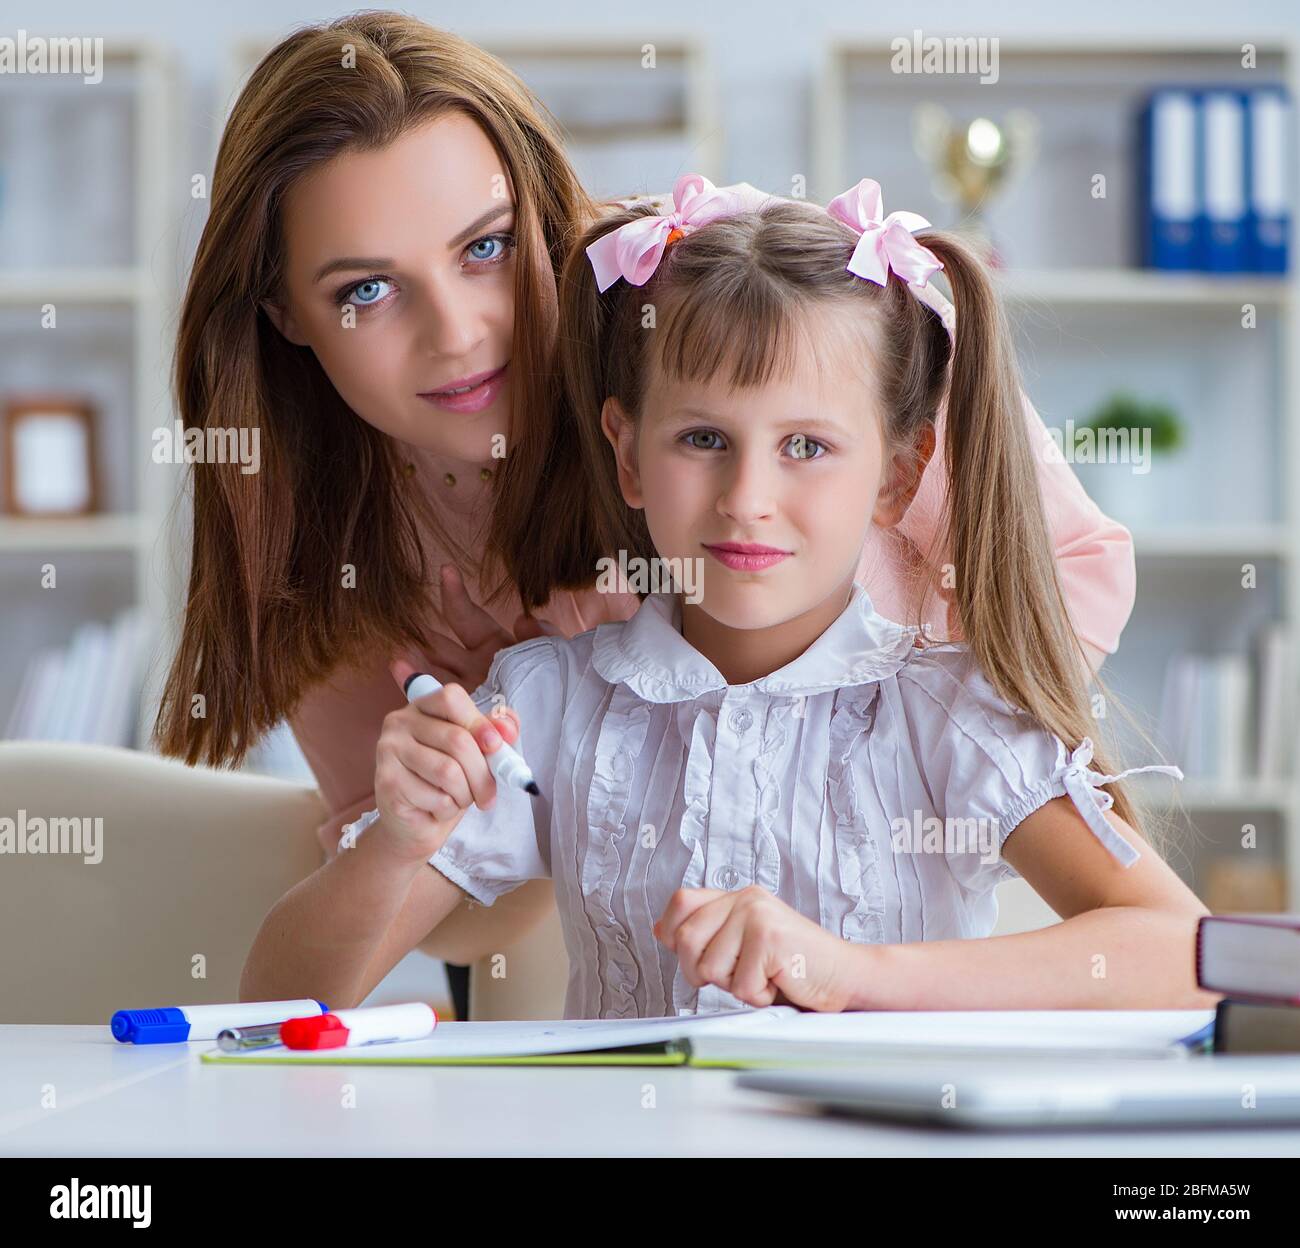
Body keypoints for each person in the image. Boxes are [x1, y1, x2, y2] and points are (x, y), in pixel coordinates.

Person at [158, 12, 1137, 1016]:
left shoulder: (716, 297)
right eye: (367, 288)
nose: (457, 334)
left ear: (542, 218)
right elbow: (427, 922)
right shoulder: (322, 540)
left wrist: (839, 716)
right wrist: (510, 771)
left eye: (487, 247)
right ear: (284, 314)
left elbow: (1069, 567)